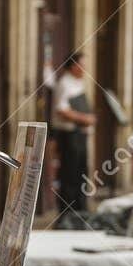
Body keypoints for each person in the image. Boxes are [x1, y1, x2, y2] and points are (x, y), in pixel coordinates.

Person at [51, 52, 96, 212]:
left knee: (81, 173)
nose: (84, 69)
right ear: (73, 66)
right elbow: (62, 109)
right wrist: (84, 118)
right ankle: (68, 211)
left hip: (80, 135)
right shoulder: (64, 83)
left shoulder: (78, 83)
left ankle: (80, 209)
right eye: (82, 65)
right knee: (70, 174)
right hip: (70, 136)